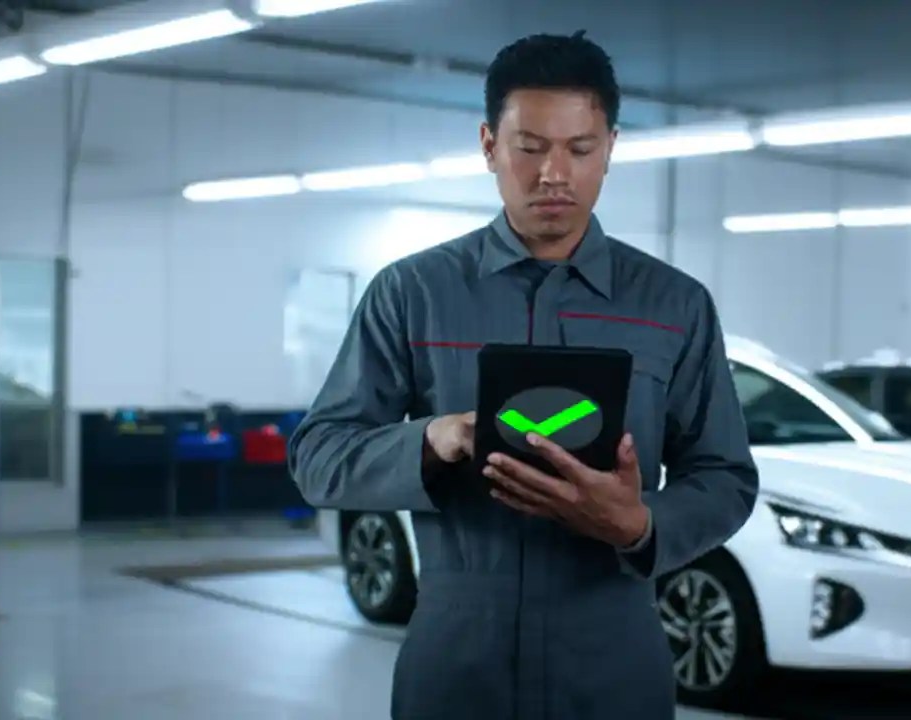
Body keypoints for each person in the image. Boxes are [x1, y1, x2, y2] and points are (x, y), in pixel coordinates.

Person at [288, 30, 759, 720]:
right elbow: (318, 456)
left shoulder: (674, 305)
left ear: (611, 149)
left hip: (614, 652)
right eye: (530, 148)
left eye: (580, 149)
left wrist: (638, 523)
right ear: (489, 146)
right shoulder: (412, 293)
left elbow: (726, 476)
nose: (553, 175)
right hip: (455, 654)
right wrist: (432, 437)